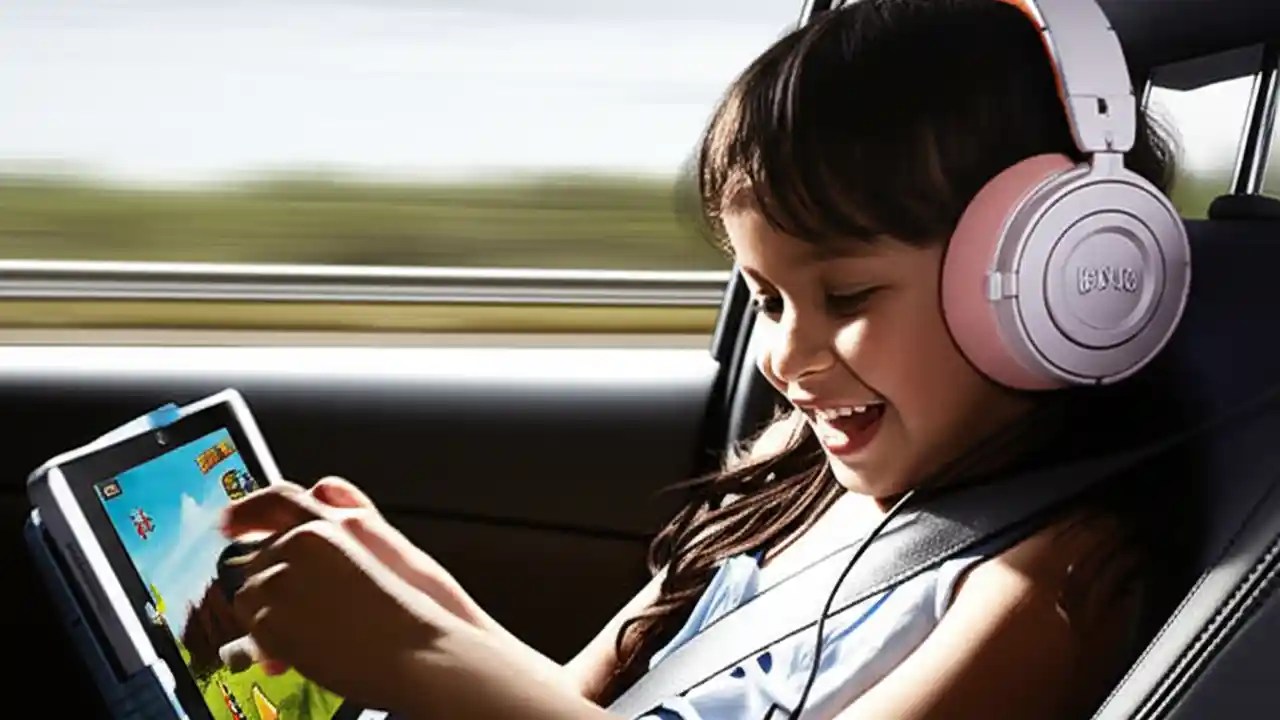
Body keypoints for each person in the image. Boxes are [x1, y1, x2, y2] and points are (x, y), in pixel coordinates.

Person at [219, 1, 1197, 717]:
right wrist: (423, 607)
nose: (782, 354)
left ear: (1059, 278)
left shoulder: (1051, 580)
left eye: (845, 297)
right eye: (763, 298)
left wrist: (428, 654)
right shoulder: (796, 486)